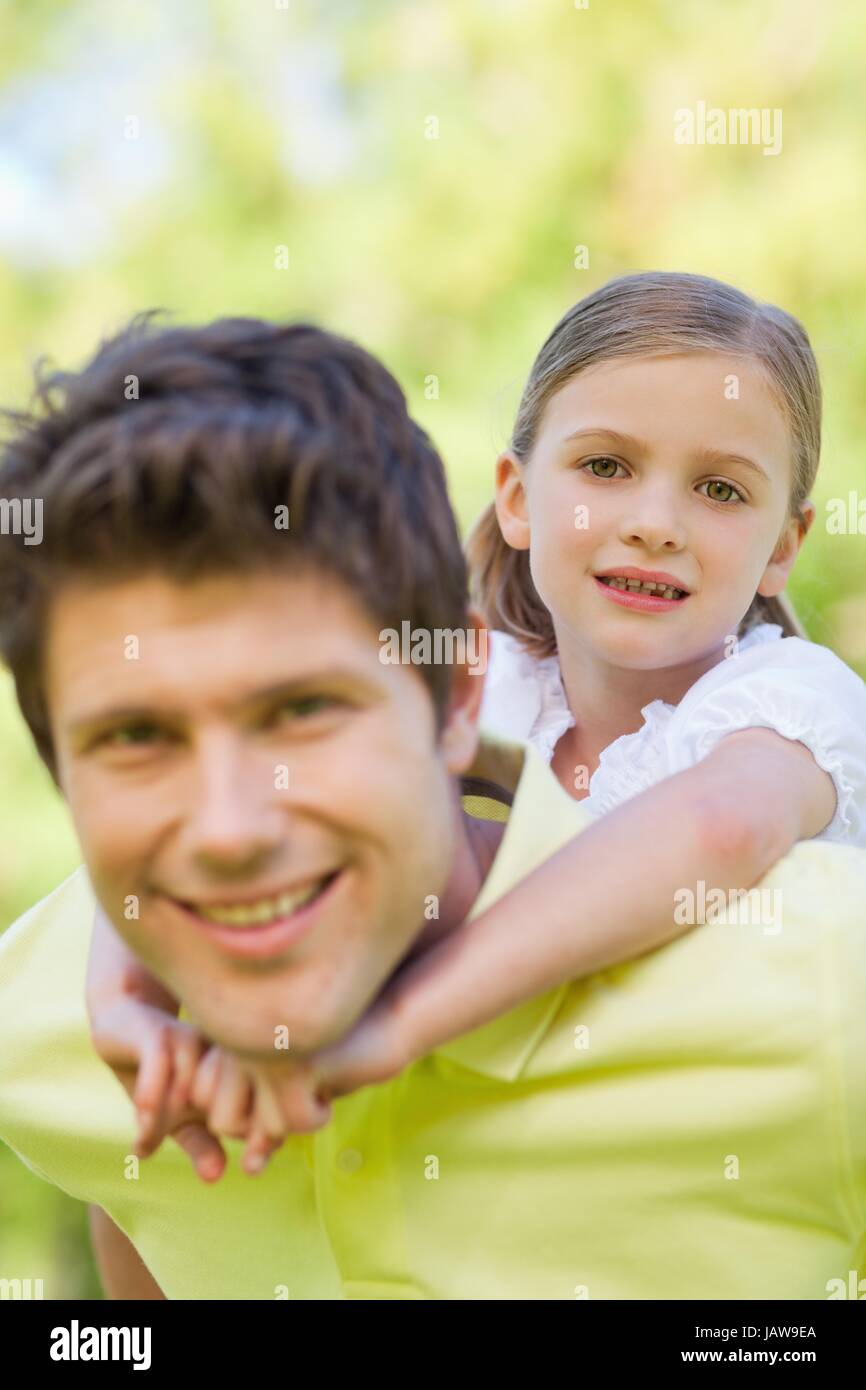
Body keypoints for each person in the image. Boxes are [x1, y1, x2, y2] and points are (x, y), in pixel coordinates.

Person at [0, 310, 864, 1301]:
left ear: (782, 547)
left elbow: (718, 826)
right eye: (604, 466)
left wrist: (398, 1027)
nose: (655, 521)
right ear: (514, 496)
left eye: (718, 488)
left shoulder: (787, 723)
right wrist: (122, 998)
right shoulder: (38, 1026)